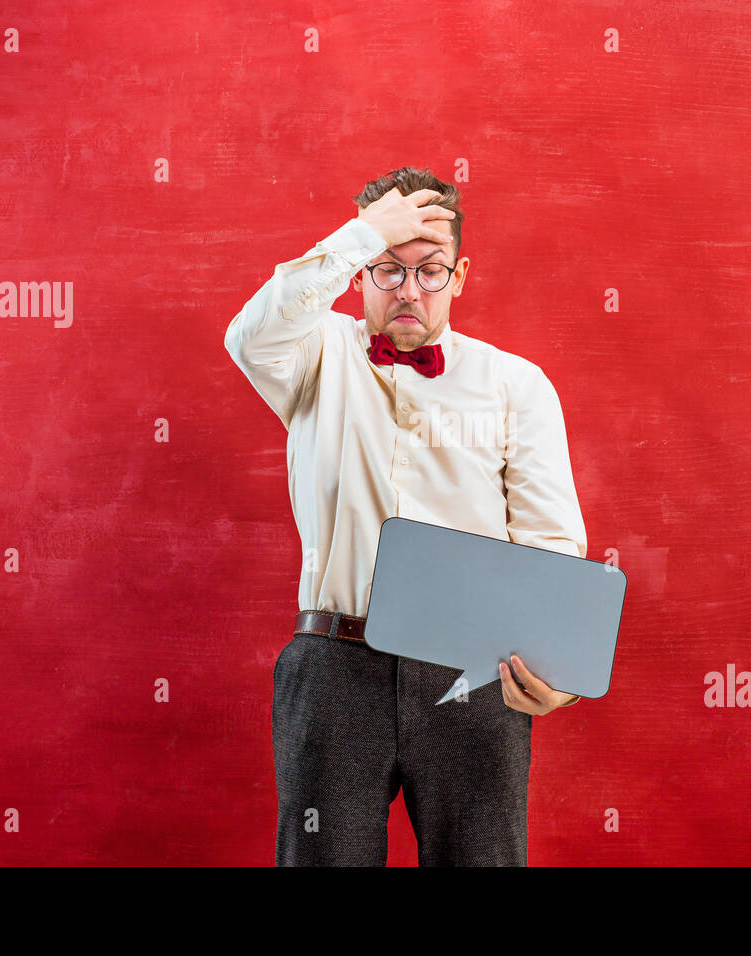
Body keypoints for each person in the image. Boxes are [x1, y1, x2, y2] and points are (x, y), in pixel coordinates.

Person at [224, 166, 587, 866]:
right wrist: (361, 236)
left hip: (474, 680)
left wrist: (559, 679)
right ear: (359, 272)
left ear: (461, 276)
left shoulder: (518, 385)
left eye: (429, 271)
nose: (409, 291)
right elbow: (249, 336)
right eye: (387, 270)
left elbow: (552, 549)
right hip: (333, 669)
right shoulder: (314, 353)